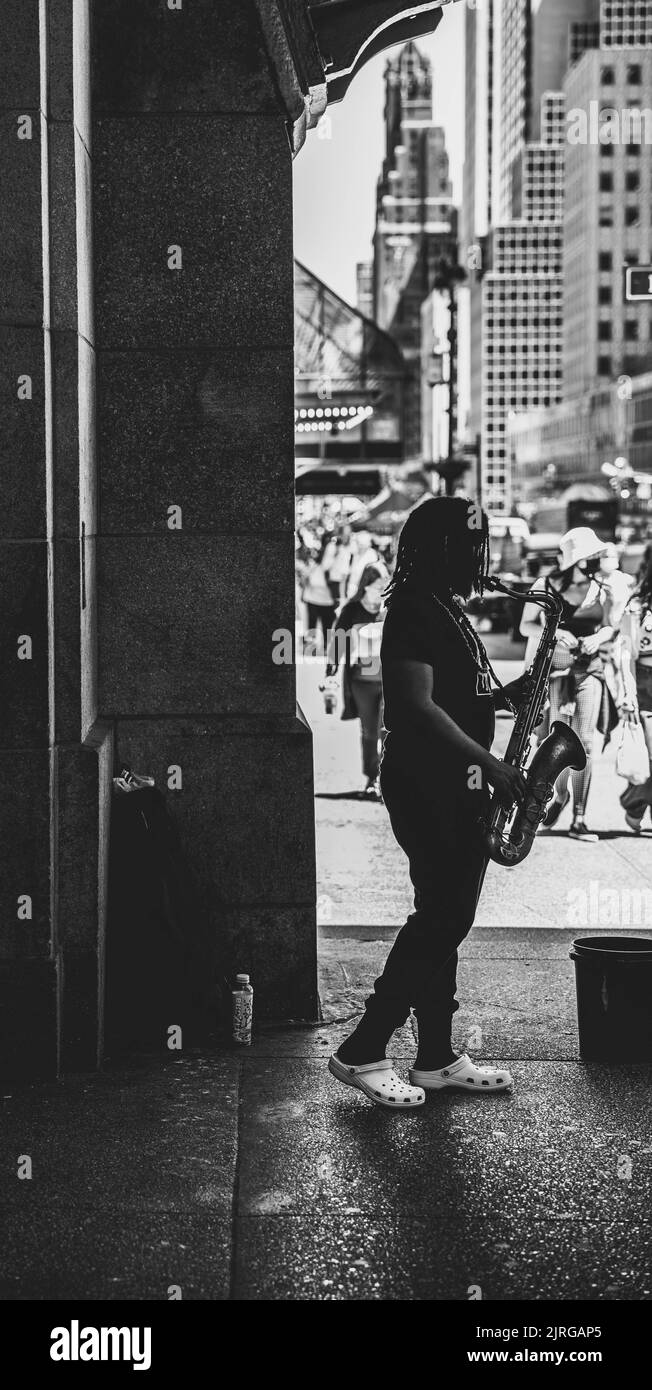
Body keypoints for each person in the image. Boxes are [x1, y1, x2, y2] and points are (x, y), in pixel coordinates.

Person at [328, 496, 531, 1110]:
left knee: (444, 913)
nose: (478, 556)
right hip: (430, 780)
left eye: (480, 544)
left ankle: (437, 1058)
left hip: (456, 779)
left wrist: (513, 694)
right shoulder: (415, 607)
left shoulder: (448, 609)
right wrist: (490, 762)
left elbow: (457, 695)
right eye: (468, 545)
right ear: (439, 548)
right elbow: (416, 705)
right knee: (446, 915)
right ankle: (364, 1047)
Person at [520, 526, 625, 843]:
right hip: (555, 673)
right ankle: (555, 796)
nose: (596, 559)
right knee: (555, 744)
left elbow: (611, 628)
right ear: (578, 558)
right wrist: (553, 633)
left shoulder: (601, 588)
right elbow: (526, 624)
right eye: (591, 554)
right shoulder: (546, 586)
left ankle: (580, 818)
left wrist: (597, 638)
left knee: (586, 745)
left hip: (588, 671)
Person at [325, 563, 388, 797]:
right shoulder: (352, 611)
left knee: (386, 731)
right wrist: (331, 670)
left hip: (388, 681)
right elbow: (338, 641)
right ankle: (372, 778)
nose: (381, 591)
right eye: (377, 586)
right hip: (361, 682)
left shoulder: (391, 609)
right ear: (366, 586)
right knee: (369, 732)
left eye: (384, 585)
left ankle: (386, 779)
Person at [618, 543, 652, 831]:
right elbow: (626, 652)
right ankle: (635, 801)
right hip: (645, 682)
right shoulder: (638, 605)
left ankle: (637, 801)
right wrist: (628, 694)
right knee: (650, 755)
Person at [301, 535, 338, 654]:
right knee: (313, 625)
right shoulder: (316, 563)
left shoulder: (338, 562)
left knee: (327, 625)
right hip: (313, 599)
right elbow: (310, 580)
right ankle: (310, 646)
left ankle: (326, 647)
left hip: (328, 601)